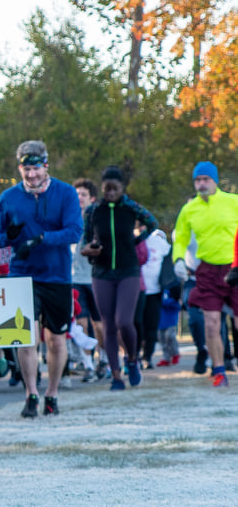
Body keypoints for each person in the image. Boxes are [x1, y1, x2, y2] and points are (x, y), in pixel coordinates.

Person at [0, 140, 84, 417]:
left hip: (57, 275)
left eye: (36, 169)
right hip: (22, 274)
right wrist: (10, 236)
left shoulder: (65, 193)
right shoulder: (9, 197)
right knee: (26, 338)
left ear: (46, 166)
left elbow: (75, 231)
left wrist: (42, 239)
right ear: (20, 168)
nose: (31, 175)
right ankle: (30, 393)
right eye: (26, 170)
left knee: (56, 340)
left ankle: (52, 394)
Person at [81, 167, 161, 390]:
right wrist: (89, 248)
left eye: (114, 189)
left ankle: (132, 359)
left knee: (124, 321)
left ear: (122, 188)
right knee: (108, 325)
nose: (110, 193)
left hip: (128, 270)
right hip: (102, 272)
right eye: (106, 189)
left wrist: (137, 240)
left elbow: (152, 223)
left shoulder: (131, 207)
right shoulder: (93, 211)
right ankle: (116, 376)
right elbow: (85, 238)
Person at [174, 161, 238, 387]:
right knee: (211, 323)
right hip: (208, 271)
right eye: (197, 180)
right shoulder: (189, 209)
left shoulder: (232, 201)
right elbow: (180, 238)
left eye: (205, 179)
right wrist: (178, 259)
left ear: (215, 181)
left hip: (234, 267)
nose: (201, 184)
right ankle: (219, 371)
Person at [70, 180, 106, 381]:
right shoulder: (69, 218)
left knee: (99, 325)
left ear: (91, 198)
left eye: (83, 194)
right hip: (75, 279)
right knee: (81, 324)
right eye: (76, 194)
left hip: (95, 277)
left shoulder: (96, 219)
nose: (79, 198)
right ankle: (88, 365)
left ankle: (104, 360)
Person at [138, 226, 172, 371]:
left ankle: (147, 357)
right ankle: (136, 355)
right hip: (136, 290)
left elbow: (170, 259)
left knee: (151, 326)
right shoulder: (136, 240)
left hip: (155, 291)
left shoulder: (159, 243)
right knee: (137, 324)